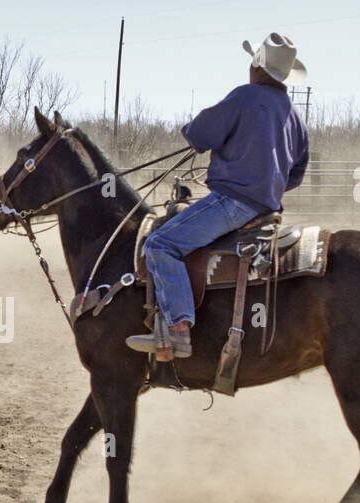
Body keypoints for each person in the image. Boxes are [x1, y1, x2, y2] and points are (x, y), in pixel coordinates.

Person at [127, 33, 310, 360]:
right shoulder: (294, 116)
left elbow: (200, 133)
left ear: (256, 65)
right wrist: (266, 182)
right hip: (267, 208)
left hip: (232, 203)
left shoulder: (245, 96)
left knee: (160, 244)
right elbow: (295, 174)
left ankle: (178, 329)